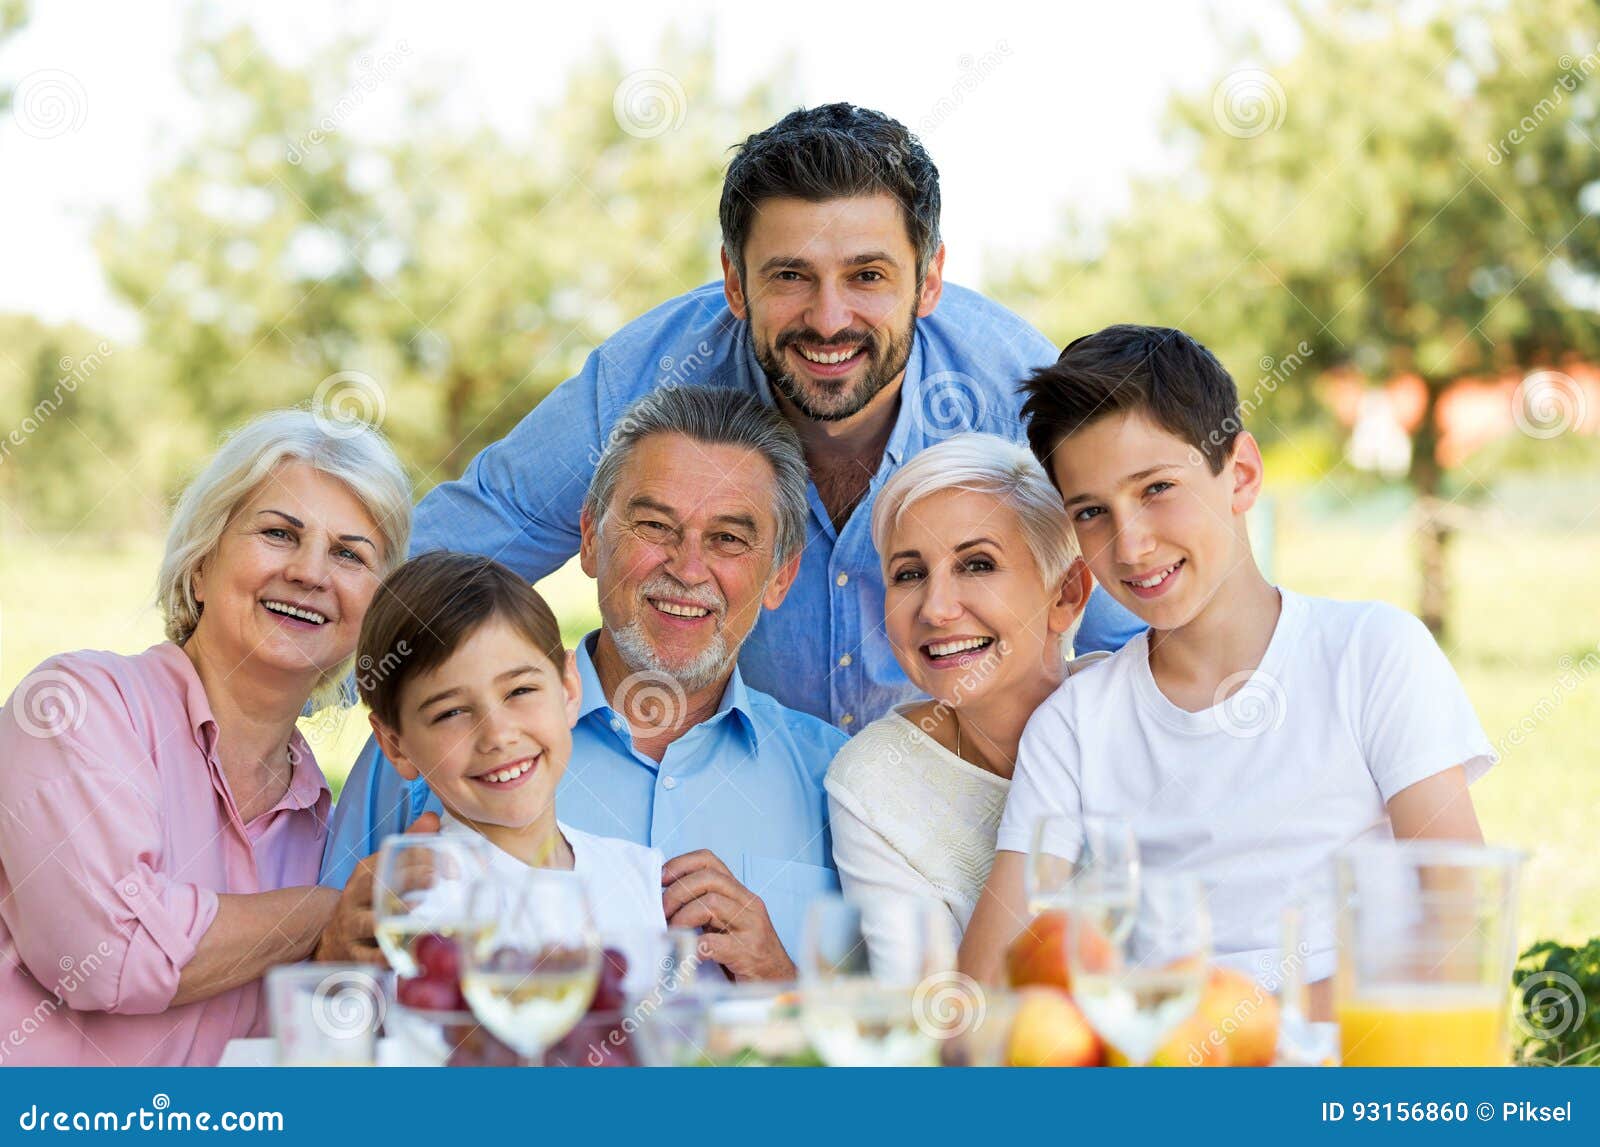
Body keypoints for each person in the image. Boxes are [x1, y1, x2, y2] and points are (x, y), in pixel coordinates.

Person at [385, 101, 1141, 737]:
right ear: (734, 282)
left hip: (958, 817)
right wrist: (288, 670)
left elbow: (1134, 635)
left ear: (930, 278)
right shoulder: (650, 380)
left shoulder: (1018, 398)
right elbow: (470, 540)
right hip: (740, 823)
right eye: (789, 276)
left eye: (868, 276)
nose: (829, 318)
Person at [959, 325, 1493, 999]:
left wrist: (1232, 1032)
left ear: (1239, 474)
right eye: (1092, 511)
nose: (1131, 543)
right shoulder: (1075, 725)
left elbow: (1466, 926)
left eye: (1156, 488)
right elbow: (983, 982)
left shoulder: (1370, 652)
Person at [323, 387, 846, 980]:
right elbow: (319, 1007)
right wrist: (336, 951)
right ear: (592, 539)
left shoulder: (839, 780)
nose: (688, 567)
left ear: (780, 575)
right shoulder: (430, 737)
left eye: (728, 538)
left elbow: (892, 1051)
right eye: (654, 526)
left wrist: (783, 981)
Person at [0, 411, 412, 1065]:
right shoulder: (78, 707)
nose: (311, 572)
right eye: (279, 532)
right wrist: (323, 910)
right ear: (200, 564)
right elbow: (107, 954)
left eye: (349, 553)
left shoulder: (321, 820)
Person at [824, 434, 1103, 959]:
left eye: (976, 564)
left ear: (1065, 594)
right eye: (909, 574)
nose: (936, 608)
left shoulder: (1135, 708)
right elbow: (925, 1015)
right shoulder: (876, 779)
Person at [356, 551, 666, 966]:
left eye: (519, 691)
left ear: (570, 689)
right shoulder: (422, 909)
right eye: (450, 713)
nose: (498, 736)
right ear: (396, 746)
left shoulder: (635, 874)